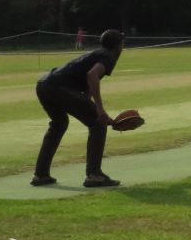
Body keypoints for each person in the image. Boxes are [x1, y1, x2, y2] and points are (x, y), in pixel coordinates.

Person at [31, 29, 125, 188]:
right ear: (117, 46)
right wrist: (100, 111)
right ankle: (94, 175)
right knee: (97, 124)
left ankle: (40, 174)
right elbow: (92, 75)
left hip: (44, 84)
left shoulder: (98, 53)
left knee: (59, 124)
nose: (123, 47)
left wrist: (95, 110)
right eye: (122, 43)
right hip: (58, 87)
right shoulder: (108, 57)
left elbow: (86, 90)